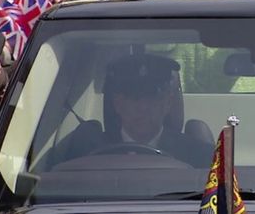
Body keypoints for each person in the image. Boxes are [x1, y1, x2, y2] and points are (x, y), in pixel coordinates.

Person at [64, 54, 213, 167]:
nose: (143, 108)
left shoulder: (198, 156)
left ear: (168, 103)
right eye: (133, 99)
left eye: (152, 98)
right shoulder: (87, 156)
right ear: (118, 104)